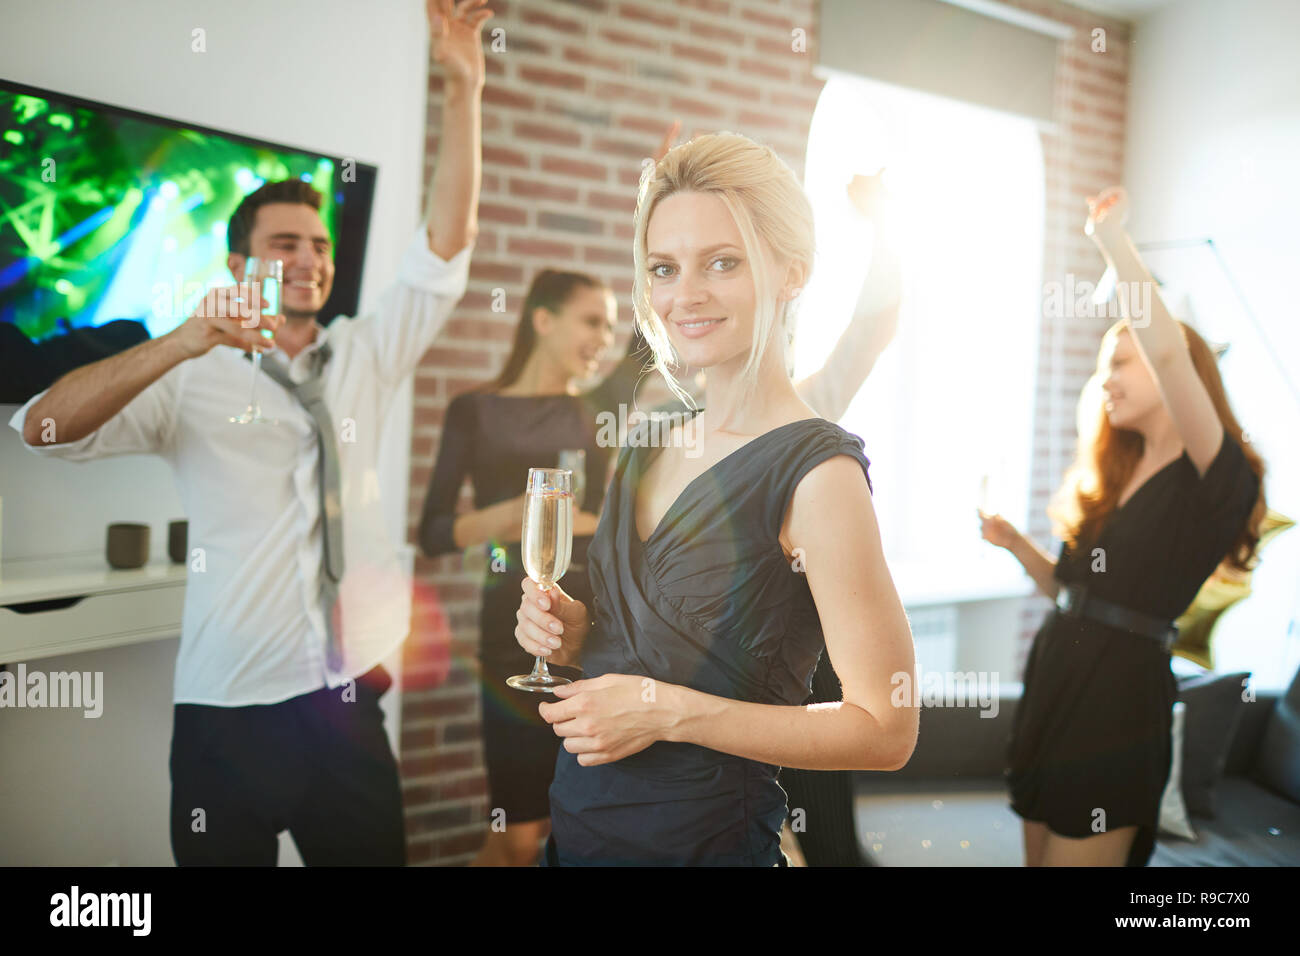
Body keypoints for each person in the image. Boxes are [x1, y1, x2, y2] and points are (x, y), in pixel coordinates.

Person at [8, 0, 493, 865]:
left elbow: (443, 251)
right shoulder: (187, 377)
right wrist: (188, 338)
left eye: (319, 244)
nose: (307, 258)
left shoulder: (366, 354)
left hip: (352, 701)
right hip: (229, 716)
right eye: (283, 244)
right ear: (238, 264)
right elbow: (39, 428)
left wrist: (464, 83)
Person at [511, 131, 918, 866]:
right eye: (663, 268)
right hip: (578, 835)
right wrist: (573, 634)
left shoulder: (818, 474)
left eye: (721, 263)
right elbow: (637, 644)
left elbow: (886, 729)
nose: (683, 296)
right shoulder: (647, 436)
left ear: (791, 272)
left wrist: (663, 712)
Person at [979, 186, 1266, 867]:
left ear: (1179, 378)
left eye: (1120, 363)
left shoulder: (1214, 477)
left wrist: (1112, 241)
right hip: (1054, 679)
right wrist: (1017, 545)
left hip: (1119, 703)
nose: (1105, 381)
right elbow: (1069, 592)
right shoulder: (1114, 477)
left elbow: (1169, 352)